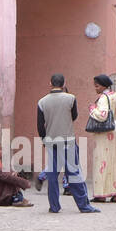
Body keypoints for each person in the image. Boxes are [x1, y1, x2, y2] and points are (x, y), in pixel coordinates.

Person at [37, 73, 100, 214]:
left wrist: (44, 140)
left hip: (51, 141)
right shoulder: (71, 98)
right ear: (64, 83)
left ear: (50, 83)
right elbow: (74, 116)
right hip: (68, 140)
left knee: (52, 175)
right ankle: (83, 205)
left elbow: (40, 126)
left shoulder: (42, 102)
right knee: (74, 172)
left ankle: (54, 206)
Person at [87, 73, 116, 202]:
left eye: (97, 85)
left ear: (103, 85)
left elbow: (102, 115)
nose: (95, 88)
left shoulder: (104, 98)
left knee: (103, 162)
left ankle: (102, 194)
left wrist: (92, 109)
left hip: (105, 135)